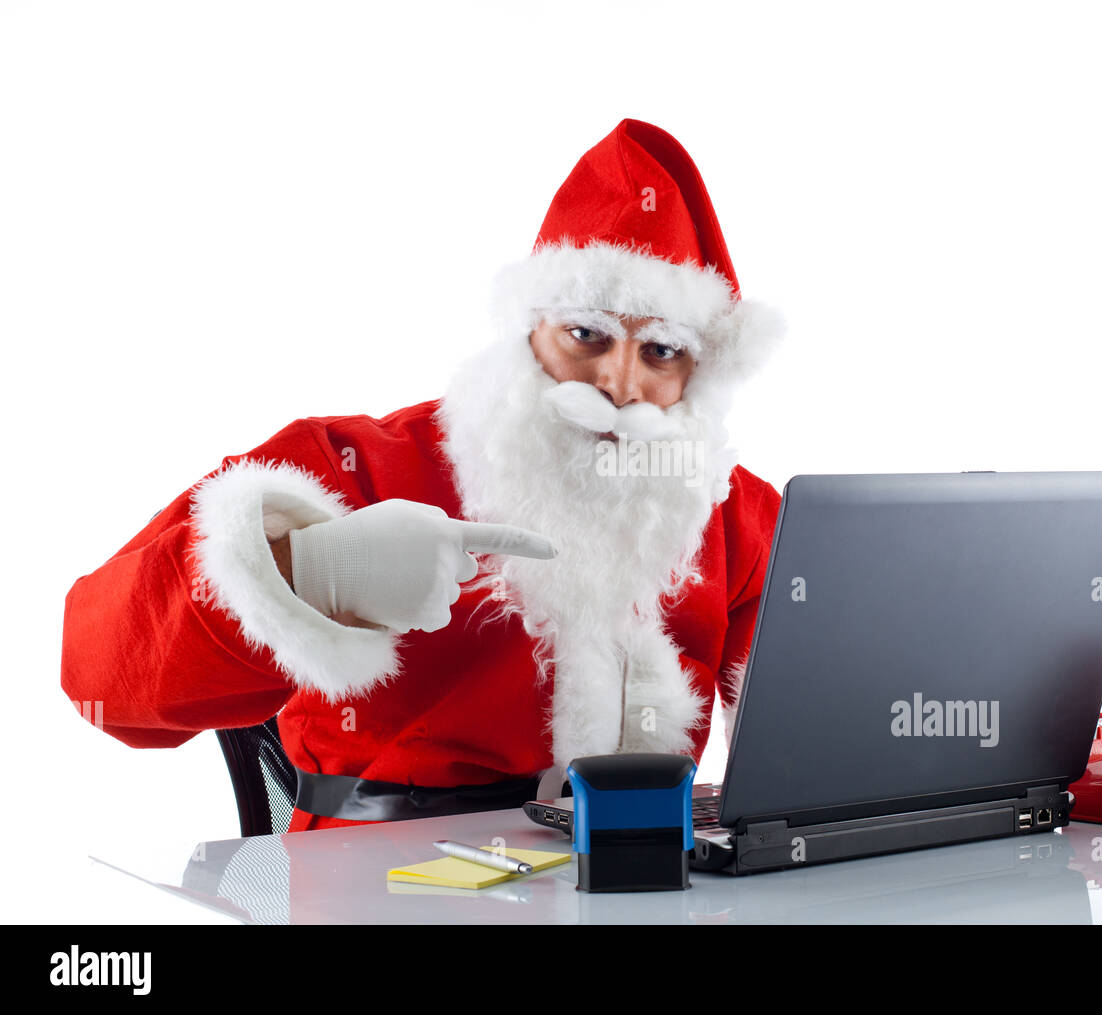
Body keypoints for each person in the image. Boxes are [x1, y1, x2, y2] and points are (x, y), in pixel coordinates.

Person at [60, 118, 786, 831]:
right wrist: (312, 568)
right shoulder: (361, 466)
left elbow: (817, 731)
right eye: (586, 334)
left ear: (702, 373)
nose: (619, 385)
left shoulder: (734, 513)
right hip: (384, 885)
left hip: (645, 884)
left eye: (660, 351)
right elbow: (96, 669)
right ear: (530, 328)